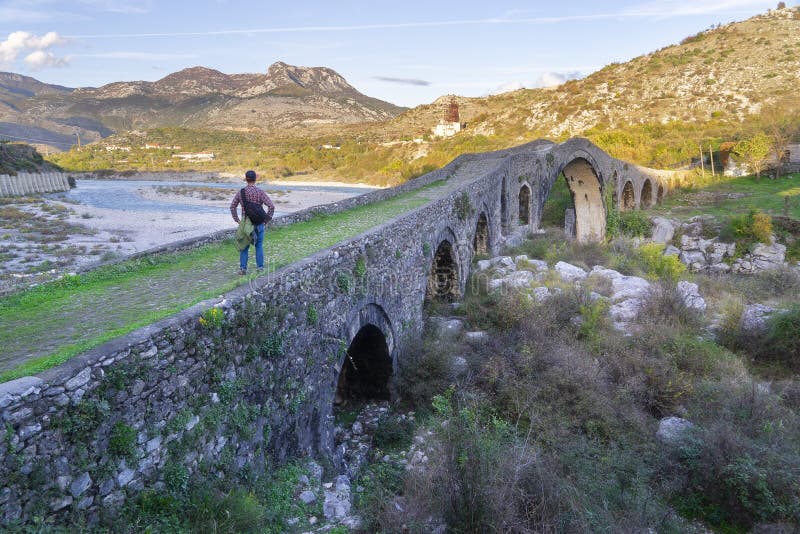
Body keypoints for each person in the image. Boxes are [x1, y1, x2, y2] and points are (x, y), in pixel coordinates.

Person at [230, 170, 275, 275]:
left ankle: (243, 269)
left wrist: (237, 220)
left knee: (244, 246)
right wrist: (266, 220)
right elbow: (271, 206)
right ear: (255, 179)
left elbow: (232, 206)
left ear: (246, 179)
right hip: (259, 223)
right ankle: (260, 268)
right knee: (259, 246)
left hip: (246, 224)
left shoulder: (241, 193)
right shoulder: (260, 192)